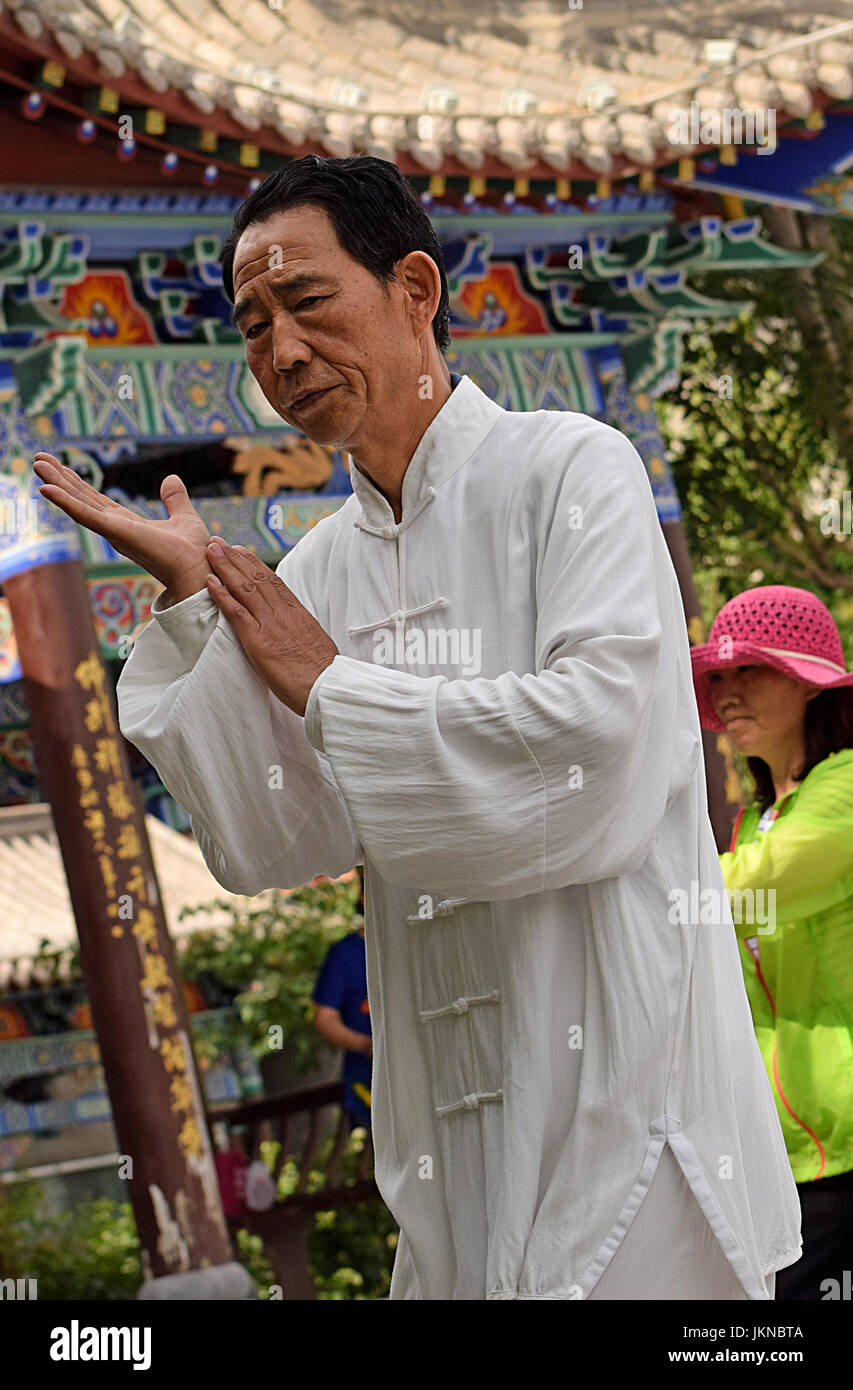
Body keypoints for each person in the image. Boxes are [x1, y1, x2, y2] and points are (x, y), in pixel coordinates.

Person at [34, 154, 800, 1301]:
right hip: (447, 1142)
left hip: (630, 1111)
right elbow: (273, 838)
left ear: (413, 291)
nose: (281, 351)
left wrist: (330, 687)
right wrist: (202, 605)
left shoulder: (571, 472)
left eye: (306, 302)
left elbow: (594, 757)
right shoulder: (323, 567)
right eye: (251, 325)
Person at [691, 585, 853, 1301]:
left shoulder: (844, 785)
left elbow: (754, 885)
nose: (726, 692)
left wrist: (631, 890)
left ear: (806, 679)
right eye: (716, 676)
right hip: (790, 1155)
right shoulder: (757, 817)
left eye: (747, 670)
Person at [312, 872, 373, 1130]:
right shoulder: (345, 953)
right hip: (367, 1076)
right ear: (364, 898)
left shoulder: (419, 942)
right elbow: (324, 1018)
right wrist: (365, 1044)